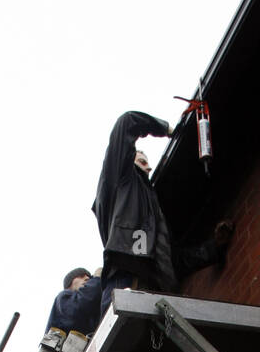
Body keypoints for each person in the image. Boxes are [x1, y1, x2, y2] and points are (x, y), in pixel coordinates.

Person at [92, 110, 234, 316]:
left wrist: (214, 247)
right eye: (142, 162)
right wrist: (167, 128)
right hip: (127, 281)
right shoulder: (117, 179)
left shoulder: (151, 217)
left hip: (156, 292)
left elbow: (173, 261)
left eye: (148, 165)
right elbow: (127, 122)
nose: (148, 168)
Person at [43, 266, 103, 339]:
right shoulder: (64, 296)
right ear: (70, 283)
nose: (87, 278)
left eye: (89, 277)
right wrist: (96, 278)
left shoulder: (90, 302)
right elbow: (80, 308)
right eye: (81, 276)